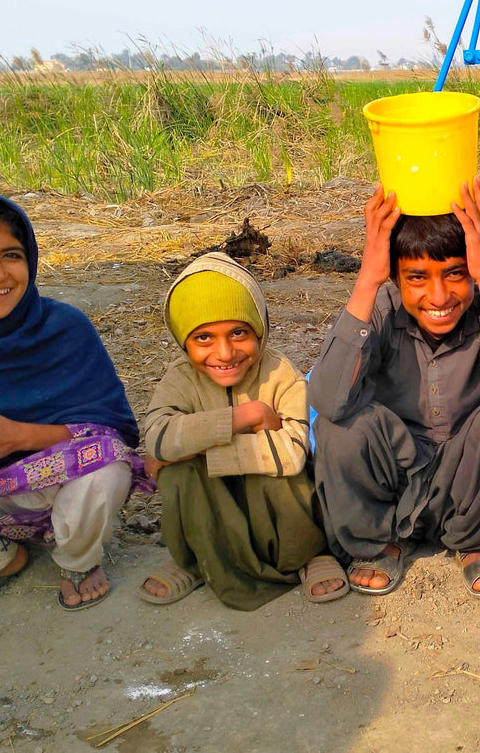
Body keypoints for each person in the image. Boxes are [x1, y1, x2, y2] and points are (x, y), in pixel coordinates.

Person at [309, 179, 480, 599]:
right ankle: (379, 540)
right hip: (395, 478)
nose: (439, 296)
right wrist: (368, 279)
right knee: (339, 426)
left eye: (455, 274)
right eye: (417, 278)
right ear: (395, 277)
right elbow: (326, 400)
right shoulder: (379, 311)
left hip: (467, 482)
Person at [0, 193, 142, 624]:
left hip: (63, 491)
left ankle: (77, 559)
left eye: (11, 255)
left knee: (109, 464)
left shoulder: (65, 328)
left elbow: (114, 430)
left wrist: (16, 436)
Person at [140, 252, 343, 610]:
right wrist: (246, 417)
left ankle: (309, 555)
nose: (224, 352)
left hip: (276, 518)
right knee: (178, 475)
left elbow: (292, 452)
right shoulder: (180, 378)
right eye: (203, 337)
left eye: (238, 332)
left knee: (279, 472)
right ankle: (195, 560)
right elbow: (156, 438)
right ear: (183, 341)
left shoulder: (281, 374)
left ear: (259, 329)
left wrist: (189, 448)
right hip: (213, 502)